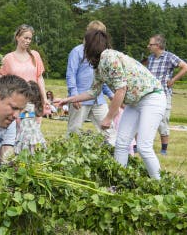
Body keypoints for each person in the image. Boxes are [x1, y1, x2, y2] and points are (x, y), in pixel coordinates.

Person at [55, 29, 166, 179]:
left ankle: (159, 183)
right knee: (121, 143)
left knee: (143, 147)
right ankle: (118, 183)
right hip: (135, 102)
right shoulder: (99, 65)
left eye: (85, 44)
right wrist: (68, 99)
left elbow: (121, 89)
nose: (83, 48)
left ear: (91, 46)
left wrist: (108, 117)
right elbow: (93, 92)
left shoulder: (108, 57)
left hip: (152, 98)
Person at [0, 24, 50, 153]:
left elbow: (39, 77)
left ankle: (33, 160)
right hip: (17, 102)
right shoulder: (8, 58)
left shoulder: (35, 55)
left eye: (30, 39)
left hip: (34, 101)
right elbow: (0, 77)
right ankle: (15, 160)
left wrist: (44, 99)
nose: (27, 41)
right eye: (25, 38)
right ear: (17, 37)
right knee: (17, 134)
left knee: (32, 133)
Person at [66, 20, 117, 143]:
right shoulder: (77, 51)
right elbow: (70, 74)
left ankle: (113, 154)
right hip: (80, 98)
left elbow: (101, 78)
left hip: (98, 99)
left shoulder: (102, 54)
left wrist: (110, 95)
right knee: (74, 131)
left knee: (109, 129)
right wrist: (74, 96)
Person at [146, 34, 187, 154]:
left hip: (164, 94)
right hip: (149, 95)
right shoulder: (150, 58)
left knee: (163, 121)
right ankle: (141, 146)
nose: (148, 46)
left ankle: (163, 150)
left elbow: (186, 67)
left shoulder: (169, 56)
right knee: (147, 120)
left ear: (158, 45)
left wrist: (173, 80)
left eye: (151, 44)